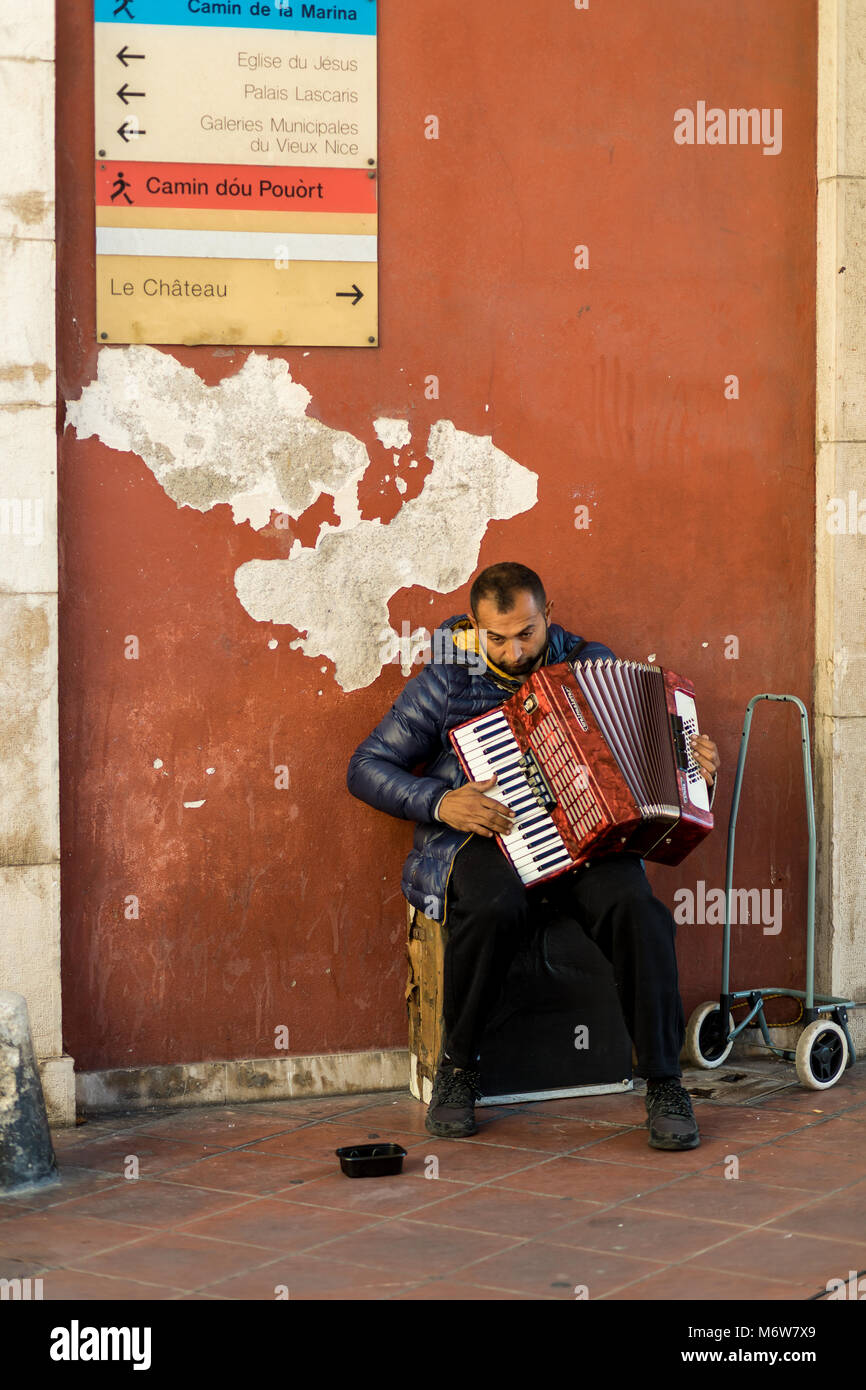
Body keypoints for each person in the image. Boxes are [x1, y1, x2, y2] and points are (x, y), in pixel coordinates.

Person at [346, 562, 720, 1149]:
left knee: (638, 911)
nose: (515, 651)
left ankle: (665, 1082)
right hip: (488, 838)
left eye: (527, 633)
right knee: (492, 906)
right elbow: (365, 767)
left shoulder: (588, 663)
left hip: (584, 843)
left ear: (549, 616)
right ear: (475, 627)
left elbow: (647, 760)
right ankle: (459, 1070)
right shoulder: (447, 680)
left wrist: (693, 764)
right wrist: (443, 803)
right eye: (497, 638)